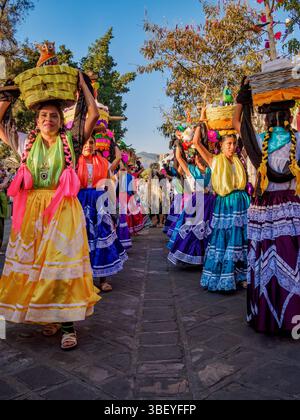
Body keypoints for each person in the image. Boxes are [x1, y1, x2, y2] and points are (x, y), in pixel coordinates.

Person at [0, 72, 100, 351]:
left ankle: (68, 326)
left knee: (61, 267)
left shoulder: (72, 141)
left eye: (54, 116)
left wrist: (84, 86)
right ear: (36, 120)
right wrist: (9, 94)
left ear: (61, 120)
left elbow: (91, 114)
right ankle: (50, 317)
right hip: (31, 212)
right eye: (43, 115)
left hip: (62, 210)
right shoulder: (23, 142)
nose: (48, 120)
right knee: (37, 268)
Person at [233, 83, 300, 334]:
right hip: (293, 208)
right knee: (293, 258)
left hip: (263, 210)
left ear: (267, 118)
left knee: (266, 260)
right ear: (291, 116)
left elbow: (236, 121)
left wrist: (243, 99)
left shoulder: (257, 141)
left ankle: (269, 315)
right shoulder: (299, 140)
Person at [193, 120, 250, 292]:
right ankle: (226, 276)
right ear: (221, 145)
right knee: (226, 239)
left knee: (241, 239)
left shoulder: (238, 160)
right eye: (228, 144)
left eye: (233, 144)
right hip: (226, 204)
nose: (232, 147)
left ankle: (241, 275)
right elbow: (196, 143)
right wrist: (201, 122)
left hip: (241, 202)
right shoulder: (214, 160)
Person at [77, 137, 127, 293]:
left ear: (95, 145)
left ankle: (103, 279)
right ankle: (86, 280)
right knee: (84, 238)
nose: (88, 145)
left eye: (91, 143)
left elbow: (109, 185)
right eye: (85, 142)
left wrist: (112, 210)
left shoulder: (103, 162)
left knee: (102, 236)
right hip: (80, 201)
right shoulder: (73, 162)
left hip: (99, 201)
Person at [167, 142, 215, 267]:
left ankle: (204, 258)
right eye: (197, 156)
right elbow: (178, 157)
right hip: (196, 203)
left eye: (201, 155)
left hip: (210, 204)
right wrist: (178, 142)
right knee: (192, 230)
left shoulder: (212, 169)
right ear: (194, 157)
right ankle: (190, 257)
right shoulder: (190, 170)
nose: (199, 158)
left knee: (207, 230)